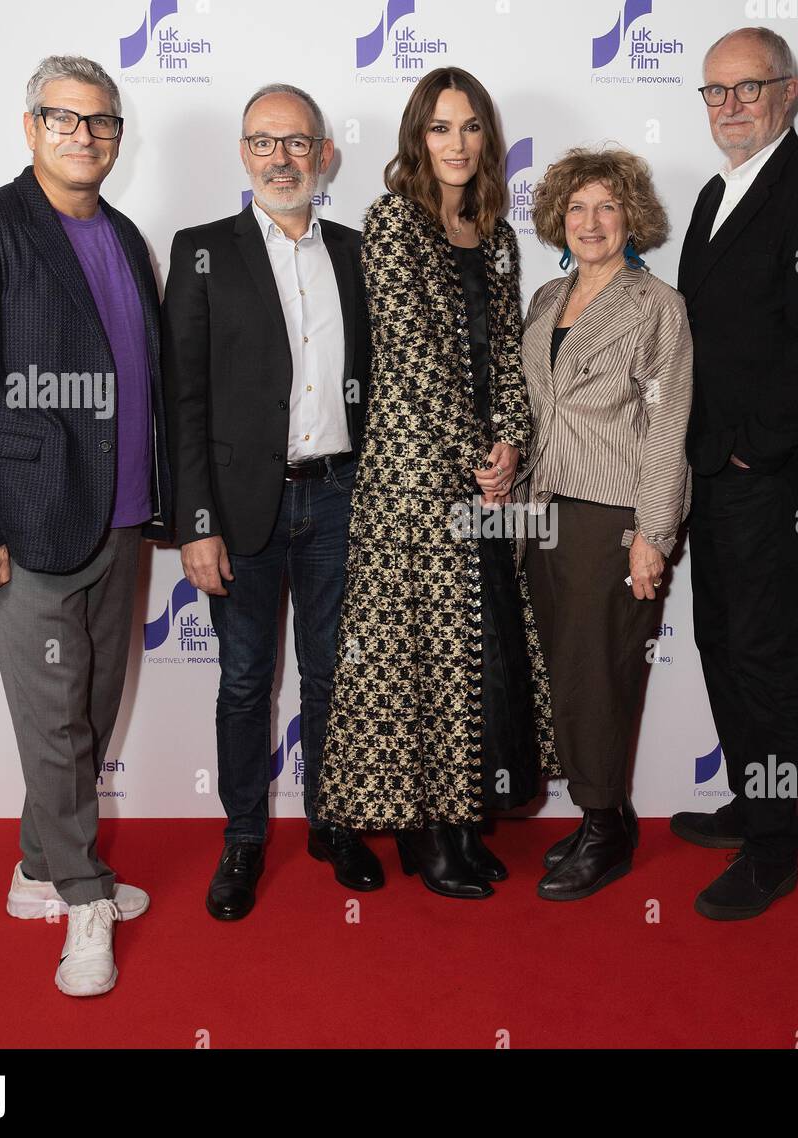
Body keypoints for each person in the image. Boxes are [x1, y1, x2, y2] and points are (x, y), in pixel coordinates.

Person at [0, 56, 171, 996]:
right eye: (63, 118)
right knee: (55, 722)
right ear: (30, 128)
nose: (84, 135)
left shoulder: (125, 232)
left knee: (90, 711)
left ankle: (35, 872)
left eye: (101, 122)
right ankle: (82, 896)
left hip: (121, 518)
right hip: (26, 525)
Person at [315, 67, 557, 898]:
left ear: (487, 138)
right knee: (421, 658)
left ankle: (459, 822)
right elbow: (412, 356)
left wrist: (513, 447)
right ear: (418, 137)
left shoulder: (496, 235)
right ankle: (425, 834)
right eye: (440, 128)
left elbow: (512, 361)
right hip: (415, 481)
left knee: (479, 654)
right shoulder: (391, 224)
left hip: (484, 482)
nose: (457, 144)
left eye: (471, 127)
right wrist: (475, 456)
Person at [162, 84, 379, 922]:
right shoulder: (202, 249)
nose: (282, 159)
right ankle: (245, 837)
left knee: (331, 676)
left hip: (339, 499)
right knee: (247, 682)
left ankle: (334, 824)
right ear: (243, 153)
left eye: (298, 143)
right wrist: (197, 523)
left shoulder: (360, 253)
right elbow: (183, 399)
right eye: (264, 142)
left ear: (324, 154)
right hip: (239, 510)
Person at [671, 27, 798, 919]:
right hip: (707, 470)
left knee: (766, 658)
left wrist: (753, 448)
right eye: (716, 91)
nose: (731, 105)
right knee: (719, 642)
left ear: (790, 93)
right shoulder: (714, 193)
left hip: (766, 478)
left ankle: (776, 847)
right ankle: (754, 802)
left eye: (749, 88)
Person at [517, 148, 692, 900]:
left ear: (632, 219)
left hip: (611, 515)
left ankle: (605, 828)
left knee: (599, 671)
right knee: (563, 668)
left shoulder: (657, 305)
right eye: (577, 208)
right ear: (559, 217)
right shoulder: (547, 298)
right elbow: (533, 409)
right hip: (542, 510)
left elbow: (667, 426)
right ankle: (598, 812)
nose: (591, 222)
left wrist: (654, 532)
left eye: (607, 207)